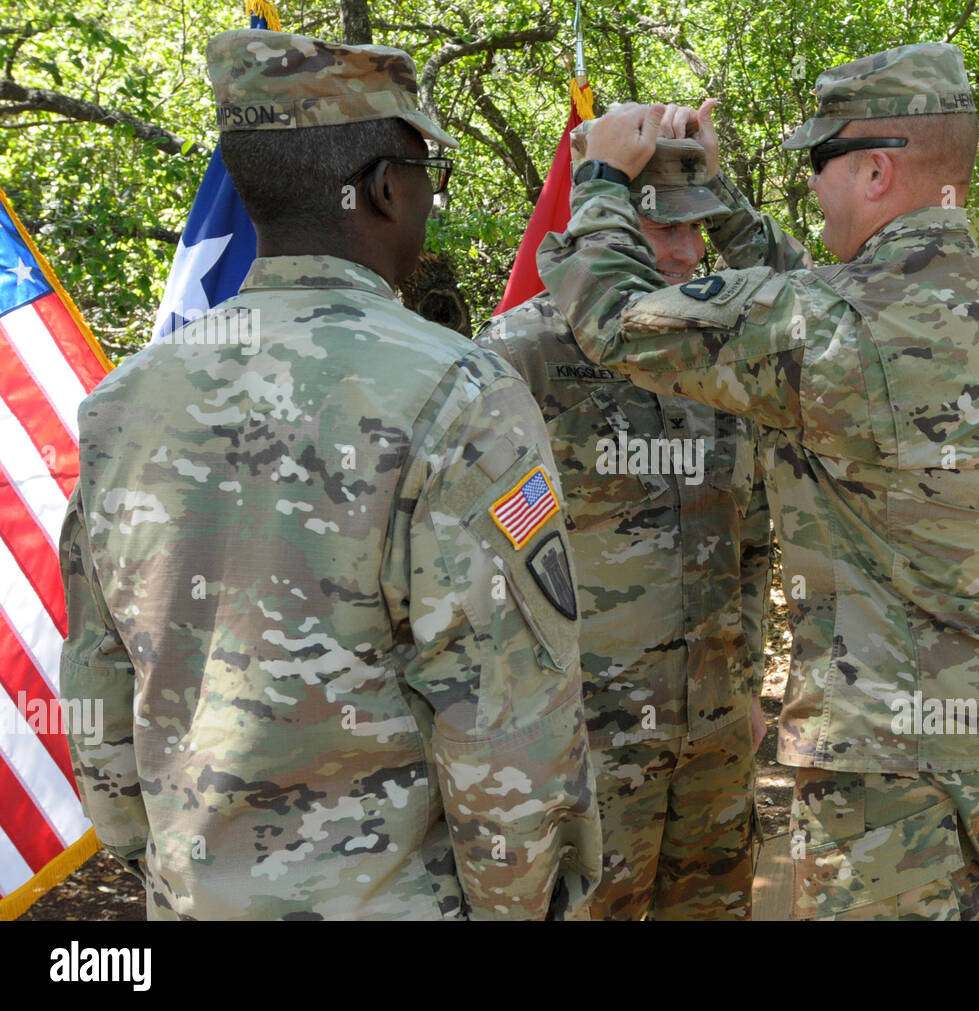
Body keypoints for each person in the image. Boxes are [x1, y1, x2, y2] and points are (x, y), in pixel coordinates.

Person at [58, 29, 600, 921]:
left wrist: (142, 849)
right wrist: (525, 906)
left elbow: (97, 673)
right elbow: (506, 722)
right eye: (428, 173)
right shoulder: (458, 395)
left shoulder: (124, 403)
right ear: (386, 187)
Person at [537, 42, 979, 921]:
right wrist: (727, 198)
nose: (813, 189)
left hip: (897, 758)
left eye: (820, 164)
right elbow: (816, 300)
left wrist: (598, 178)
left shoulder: (831, 325)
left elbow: (614, 318)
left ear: (873, 170)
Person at [478, 123, 794, 920]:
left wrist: (747, 682)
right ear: (604, 219)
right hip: (584, 741)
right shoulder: (524, 353)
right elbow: (477, 561)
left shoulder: (719, 347)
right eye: (663, 227)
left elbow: (750, 538)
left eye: (697, 225)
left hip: (716, 730)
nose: (688, 251)